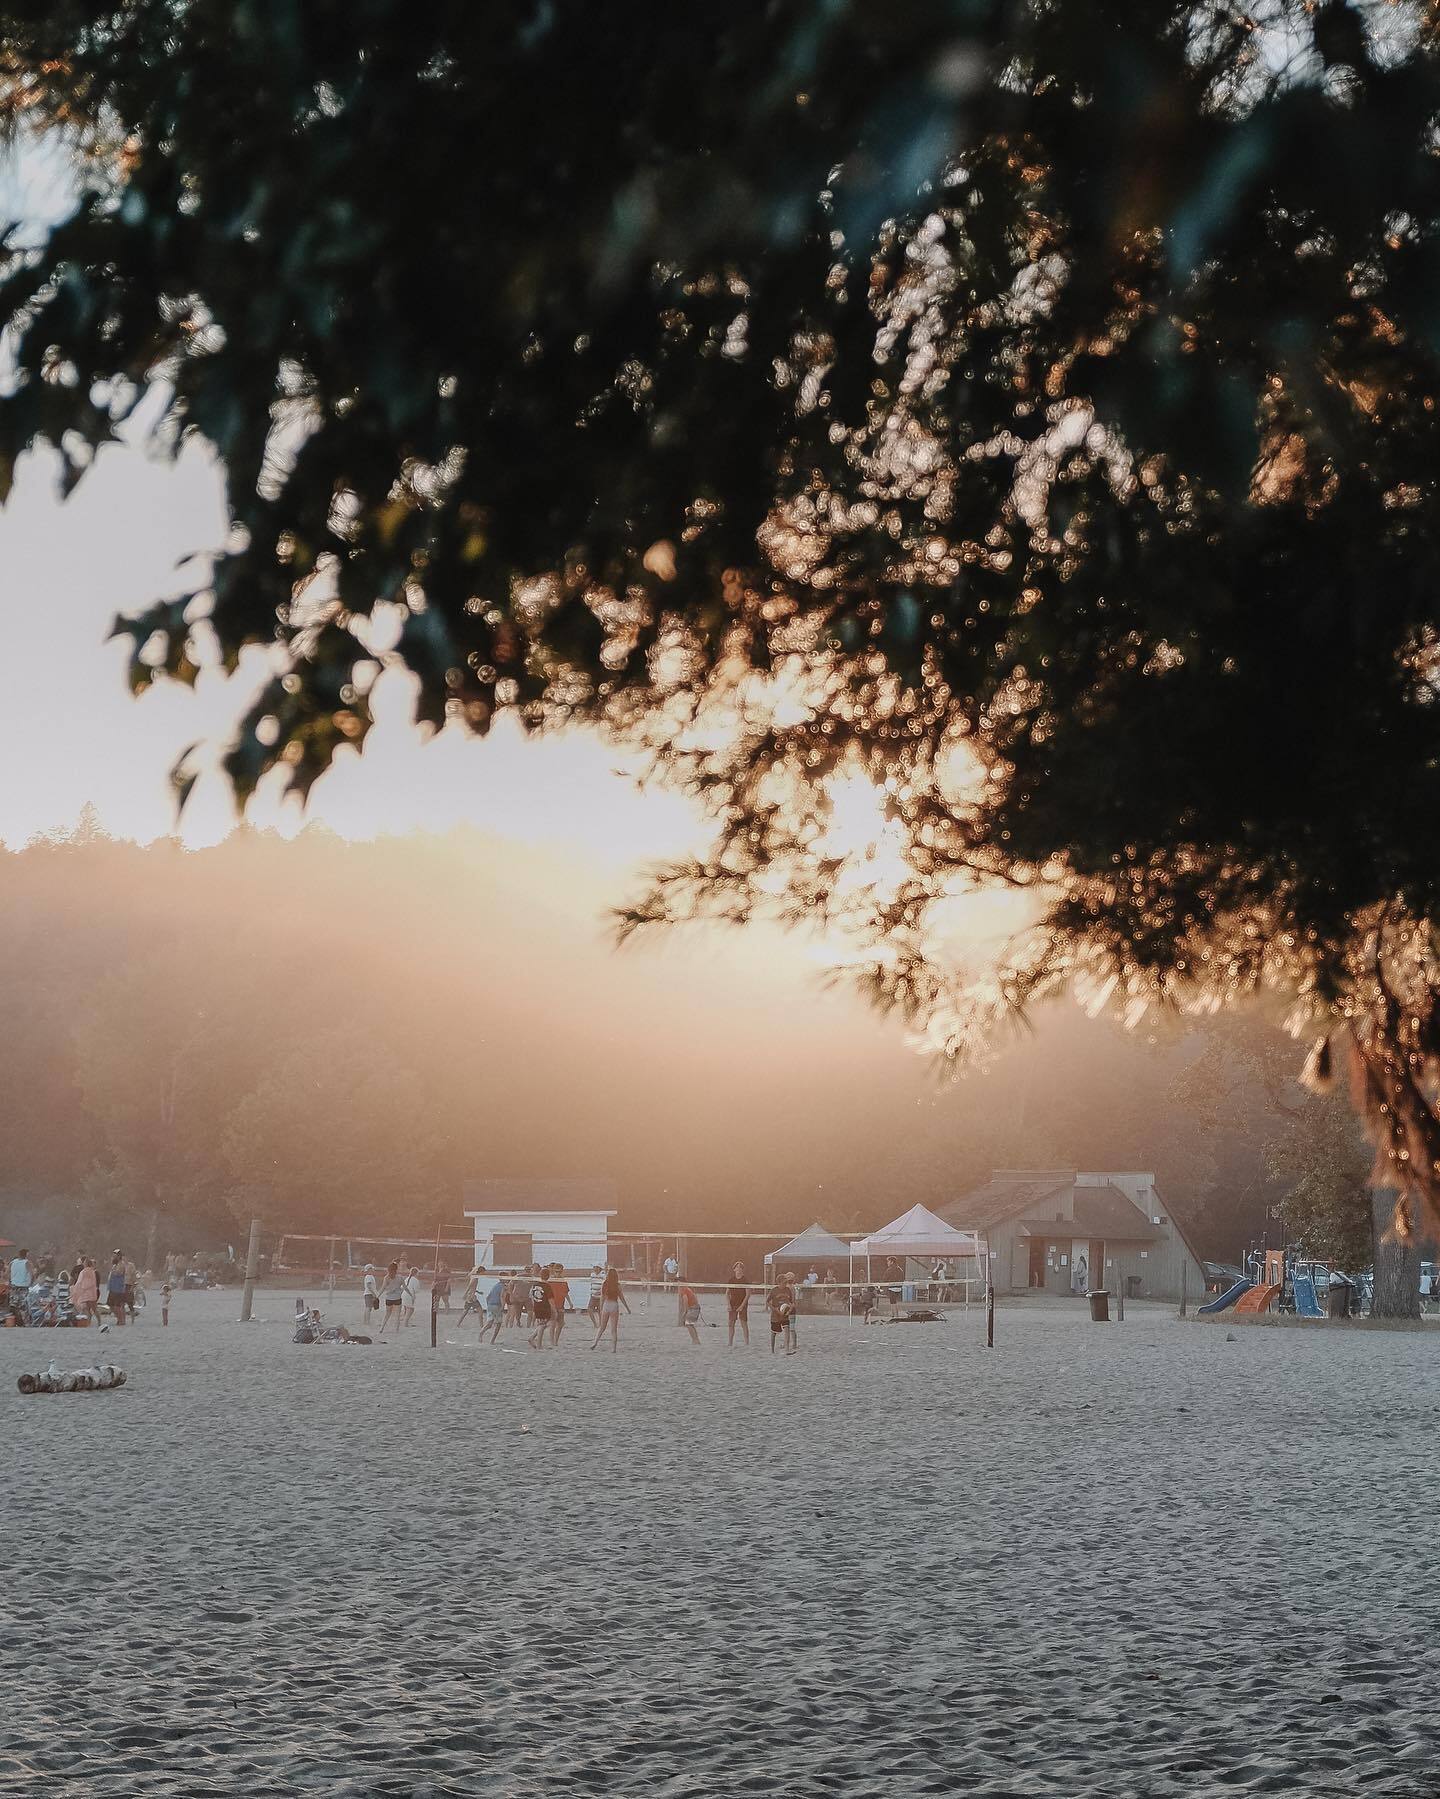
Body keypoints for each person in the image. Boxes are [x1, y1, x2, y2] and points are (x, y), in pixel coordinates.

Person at [590, 1266, 630, 1352]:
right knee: (613, 1329)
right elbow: (622, 1298)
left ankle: (595, 1343)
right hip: (614, 1305)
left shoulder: (605, 1284)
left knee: (602, 1327)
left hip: (606, 1305)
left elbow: (602, 1298)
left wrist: (600, 1309)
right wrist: (627, 1308)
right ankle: (613, 1348)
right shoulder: (617, 1285)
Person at [768, 1275, 797, 1355]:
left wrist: (790, 1310)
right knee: (774, 1333)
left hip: (785, 1314)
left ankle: (787, 1349)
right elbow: (767, 1302)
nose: (786, 1284)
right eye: (784, 1282)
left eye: (786, 1282)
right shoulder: (774, 1290)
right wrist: (775, 1309)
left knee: (787, 1329)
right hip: (775, 1315)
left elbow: (790, 1302)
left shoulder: (788, 1290)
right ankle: (772, 1350)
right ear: (779, 1282)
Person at [725, 1262, 750, 1348]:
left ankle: (747, 1343)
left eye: (740, 1267)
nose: (738, 1269)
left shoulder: (745, 1280)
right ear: (734, 1269)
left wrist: (742, 1306)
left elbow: (748, 1294)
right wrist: (728, 1304)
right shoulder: (731, 1280)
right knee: (731, 1323)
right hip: (733, 1303)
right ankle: (730, 1342)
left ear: (743, 1270)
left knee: (744, 1323)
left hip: (742, 1304)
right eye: (737, 1267)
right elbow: (727, 1293)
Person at [377, 1261, 405, 1336]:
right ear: (396, 1269)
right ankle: (396, 1329)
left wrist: (377, 1296)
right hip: (397, 1298)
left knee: (387, 1314)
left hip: (389, 1298)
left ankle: (382, 1328)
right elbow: (405, 1288)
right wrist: (409, 1294)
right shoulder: (400, 1277)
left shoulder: (386, 1277)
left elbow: (383, 1288)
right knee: (397, 1315)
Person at [527, 1272, 552, 1350]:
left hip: (537, 1305)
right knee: (542, 1325)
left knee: (543, 1324)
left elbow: (530, 1295)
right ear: (548, 1276)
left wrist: (534, 1304)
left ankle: (532, 1337)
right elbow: (550, 1299)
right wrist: (554, 1309)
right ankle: (539, 1345)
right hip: (544, 1307)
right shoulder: (547, 1286)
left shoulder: (535, 1285)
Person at [547, 1264, 570, 1347]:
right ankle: (552, 1342)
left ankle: (555, 1341)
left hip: (561, 1305)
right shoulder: (550, 1281)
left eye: (560, 1271)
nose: (558, 1273)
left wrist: (570, 1302)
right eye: (556, 1271)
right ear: (554, 1271)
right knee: (552, 1323)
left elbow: (566, 1293)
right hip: (552, 1305)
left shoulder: (563, 1281)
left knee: (560, 1324)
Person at [73, 1257, 100, 1327]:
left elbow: (79, 1282)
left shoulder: (84, 1272)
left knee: (88, 1309)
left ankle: (90, 1322)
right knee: (93, 1308)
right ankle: (97, 1321)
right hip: (92, 1293)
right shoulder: (92, 1271)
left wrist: (75, 1289)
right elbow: (93, 1282)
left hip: (86, 1292)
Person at [677, 1279, 706, 1344]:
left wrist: (685, 1311)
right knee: (691, 1324)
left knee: (688, 1324)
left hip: (693, 1308)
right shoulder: (688, 1289)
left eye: (679, 1283)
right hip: (695, 1307)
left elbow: (685, 1300)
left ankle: (695, 1340)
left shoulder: (684, 1290)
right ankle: (696, 1340)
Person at [105, 1253, 128, 1326]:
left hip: (118, 1289)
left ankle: (121, 1320)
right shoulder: (114, 1265)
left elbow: (119, 1273)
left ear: (118, 1257)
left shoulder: (121, 1265)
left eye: (114, 1256)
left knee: (117, 1306)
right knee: (110, 1305)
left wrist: (110, 1268)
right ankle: (118, 1319)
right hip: (112, 1288)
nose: (113, 1258)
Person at [9, 1247, 31, 1319]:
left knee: (14, 1304)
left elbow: (7, 1273)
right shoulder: (26, 1262)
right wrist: (30, 1282)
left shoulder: (12, 1262)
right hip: (23, 1286)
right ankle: (25, 1321)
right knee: (23, 1305)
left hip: (13, 1286)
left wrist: (11, 1281)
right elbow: (31, 1273)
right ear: (26, 1255)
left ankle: (14, 1320)